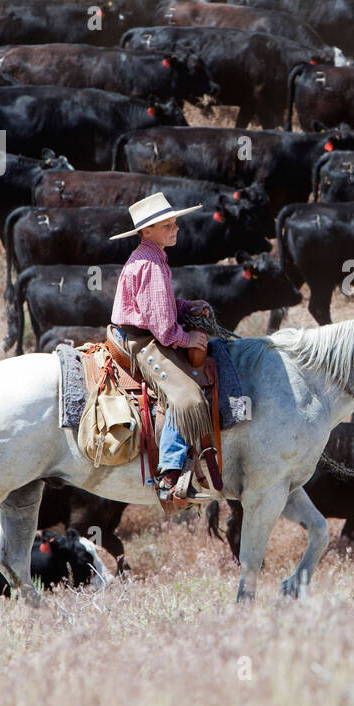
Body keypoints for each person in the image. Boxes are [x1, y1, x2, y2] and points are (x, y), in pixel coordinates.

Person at [107, 193, 219, 507]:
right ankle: (170, 477)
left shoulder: (152, 256)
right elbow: (161, 325)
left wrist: (185, 305)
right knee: (186, 396)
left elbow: (158, 305)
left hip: (142, 332)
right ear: (147, 231)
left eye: (175, 223)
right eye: (167, 225)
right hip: (143, 341)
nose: (175, 229)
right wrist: (185, 339)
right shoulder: (151, 263)